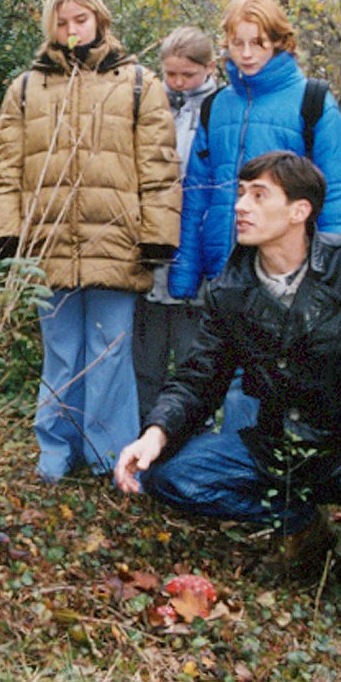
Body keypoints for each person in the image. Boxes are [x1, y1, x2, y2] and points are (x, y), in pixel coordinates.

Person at [116, 153, 341, 606]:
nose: (241, 206)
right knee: (169, 476)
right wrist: (155, 434)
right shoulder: (229, 288)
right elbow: (199, 378)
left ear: (300, 211)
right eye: (240, 193)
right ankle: (302, 526)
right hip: (278, 445)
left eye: (259, 196)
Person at [0, 0, 181, 483]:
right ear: (50, 24)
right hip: (48, 245)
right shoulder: (26, 88)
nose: (72, 30)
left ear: (98, 18)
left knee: (110, 353)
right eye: (62, 21)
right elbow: (4, 169)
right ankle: (54, 454)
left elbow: (159, 169)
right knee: (61, 353)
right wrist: (6, 235)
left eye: (81, 19)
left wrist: (159, 235)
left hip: (115, 242)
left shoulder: (138, 84)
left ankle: (107, 457)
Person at [168, 0, 341, 432]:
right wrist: (185, 271)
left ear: (279, 43)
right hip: (226, 265)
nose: (247, 53)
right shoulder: (218, 105)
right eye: (238, 43)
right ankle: (232, 469)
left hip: (289, 267)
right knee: (225, 371)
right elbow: (198, 194)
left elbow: (340, 193)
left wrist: (339, 276)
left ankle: (283, 472)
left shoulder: (311, 102)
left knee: (280, 375)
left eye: (258, 42)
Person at [132, 27, 220, 419]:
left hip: (197, 251)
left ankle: (187, 443)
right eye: (171, 74)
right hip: (151, 251)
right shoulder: (149, 105)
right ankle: (138, 443)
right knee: (143, 361)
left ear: (210, 67)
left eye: (188, 75)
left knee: (191, 361)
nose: (179, 82)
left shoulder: (222, 107)